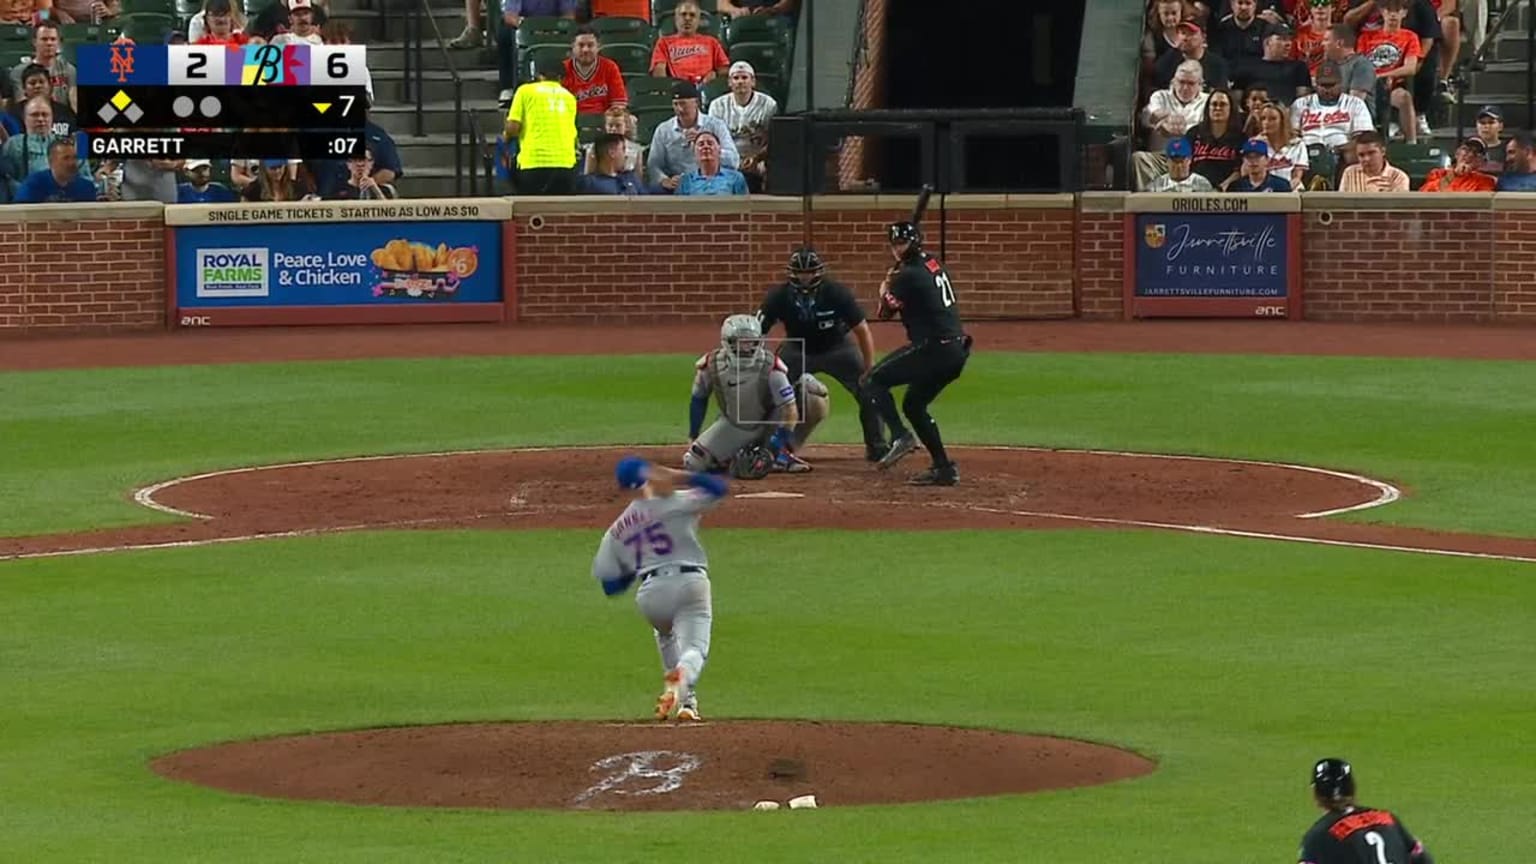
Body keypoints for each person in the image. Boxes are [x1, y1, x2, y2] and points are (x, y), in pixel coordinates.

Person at [592, 456, 728, 722]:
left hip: (651, 594)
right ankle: (682, 679)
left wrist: (636, 564)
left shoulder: (617, 529)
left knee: (665, 635)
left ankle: (687, 703)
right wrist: (678, 475)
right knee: (694, 650)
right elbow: (718, 488)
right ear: (650, 474)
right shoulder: (674, 500)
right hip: (690, 584)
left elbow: (610, 586)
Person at [757, 247, 892, 462]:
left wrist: (869, 366)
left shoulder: (836, 292)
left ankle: (877, 445)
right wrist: (761, 364)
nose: (805, 278)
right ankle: (762, 445)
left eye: (809, 272)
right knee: (767, 391)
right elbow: (759, 330)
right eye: (800, 273)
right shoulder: (779, 296)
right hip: (797, 348)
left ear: (819, 272)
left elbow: (862, 329)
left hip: (837, 347)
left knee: (870, 390)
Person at [866, 221, 972, 487]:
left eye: (901, 244)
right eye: (894, 244)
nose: (897, 249)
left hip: (934, 348)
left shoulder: (907, 276)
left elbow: (884, 314)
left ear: (912, 243)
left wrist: (884, 290)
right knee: (914, 405)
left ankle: (901, 435)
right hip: (956, 350)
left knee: (871, 381)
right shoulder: (932, 263)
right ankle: (944, 468)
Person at [685, 314, 810, 476]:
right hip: (734, 424)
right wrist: (693, 435)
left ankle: (781, 455)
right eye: (738, 342)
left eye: (750, 343)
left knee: (812, 390)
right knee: (693, 463)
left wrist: (774, 446)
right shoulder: (712, 364)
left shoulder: (770, 366)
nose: (745, 348)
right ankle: (733, 459)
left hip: (769, 423)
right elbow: (699, 398)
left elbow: (789, 409)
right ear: (726, 342)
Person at [1298, 758, 1435, 864]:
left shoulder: (1318, 837)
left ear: (1316, 794)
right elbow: (1422, 859)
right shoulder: (1388, 818)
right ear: (1353, 788)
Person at [503, 56, 578, 194]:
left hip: (533, 164)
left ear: (538, 75)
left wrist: (505, 138)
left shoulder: (525, 91)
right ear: (561, 78)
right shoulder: (570, 98)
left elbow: (513, 127)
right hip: (566, 166)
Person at [12, 138, 98, 202]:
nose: (72, 163)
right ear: (51, 161)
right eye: (66, 158)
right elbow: (20, 216)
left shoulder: (86, 187)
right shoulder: (34, 184)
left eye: (75, 158)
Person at [1147, 136, 1217, 191]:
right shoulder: (1156, 185)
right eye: (1175, 161)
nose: (1179, 166)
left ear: (1189, 160)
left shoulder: (1202, 184)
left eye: (1182, 161)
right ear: (1167, 162)